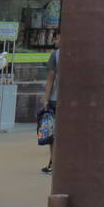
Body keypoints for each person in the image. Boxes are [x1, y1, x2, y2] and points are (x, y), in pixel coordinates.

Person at [40, 32, 60, 174]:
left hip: (55, 100)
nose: (55, 40)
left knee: (52, 134)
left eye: (58, 37)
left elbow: (50, 80)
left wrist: (45, 99)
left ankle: (53, 163)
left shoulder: (56, 55)